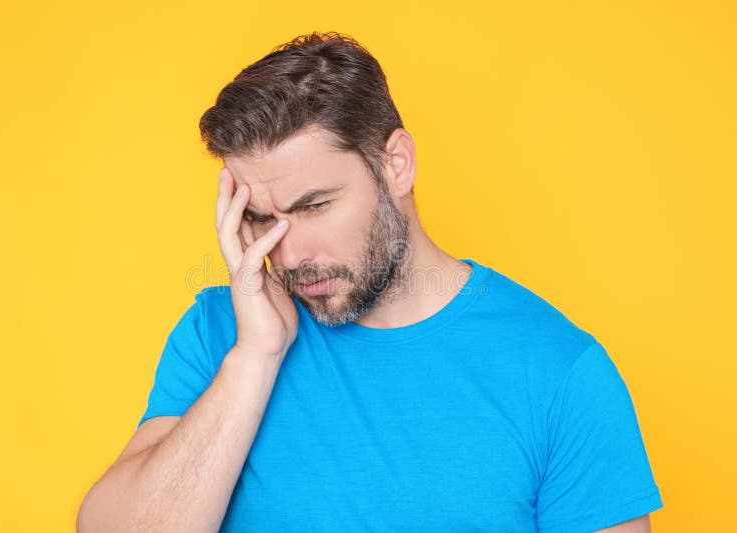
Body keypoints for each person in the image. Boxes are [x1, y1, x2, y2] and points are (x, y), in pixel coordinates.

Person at [77, 31, 663, 532]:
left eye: (315, 206)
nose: (292, 253)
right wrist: (254, 357)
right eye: (261, 218)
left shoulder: (560, 372)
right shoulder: (218, 333)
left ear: (396, 165)